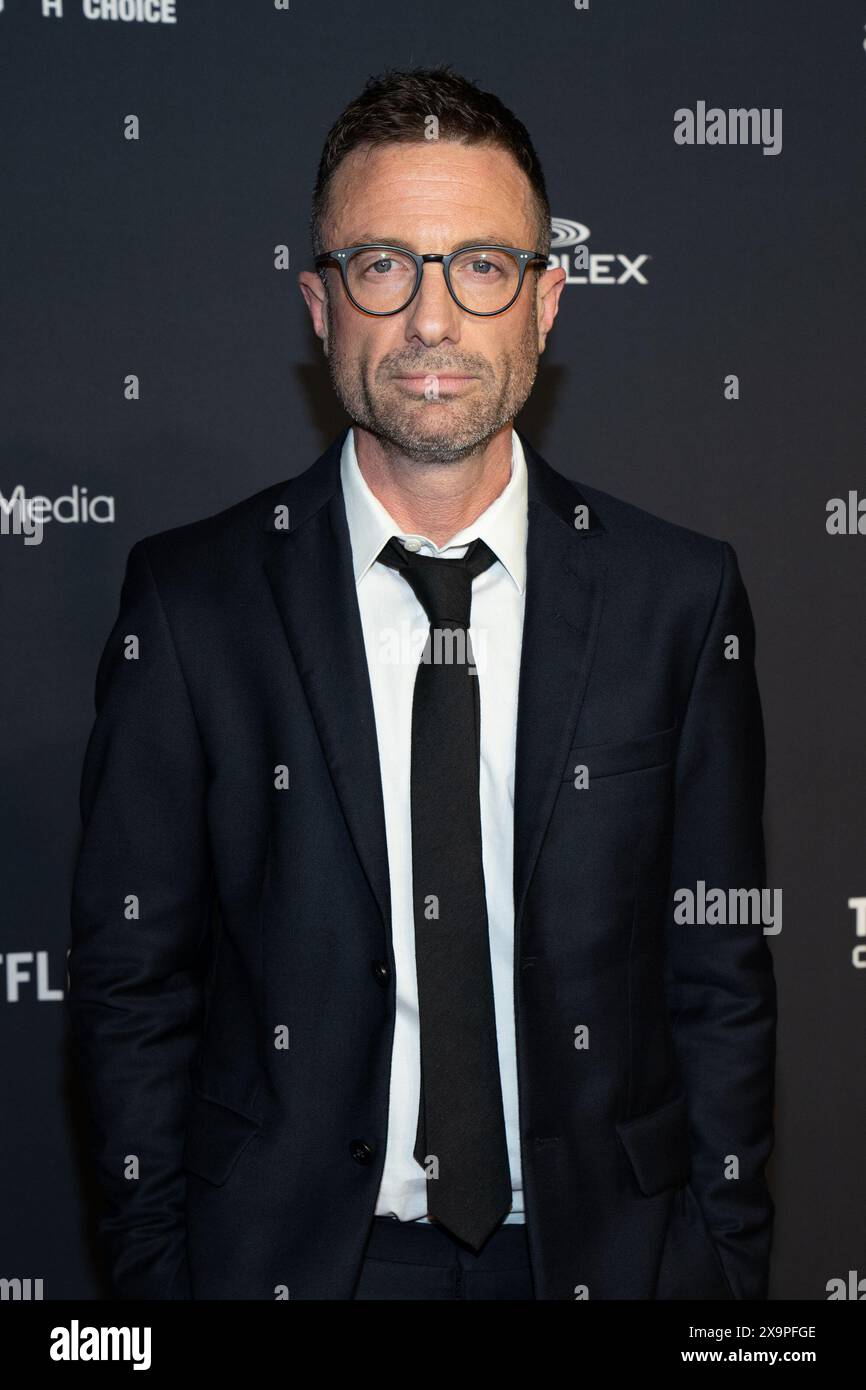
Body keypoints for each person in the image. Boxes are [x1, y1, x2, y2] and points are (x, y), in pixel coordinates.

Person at [68, 65, 777, 1301]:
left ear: (548, 301)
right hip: (293, 1266)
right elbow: (134, 983)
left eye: (481, 267)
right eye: (382, 265)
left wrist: (716, 1265)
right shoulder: (192, 606)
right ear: (317, 302)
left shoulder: (679, 599)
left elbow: (714, 976)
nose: (432, 321)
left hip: (607, 1262)